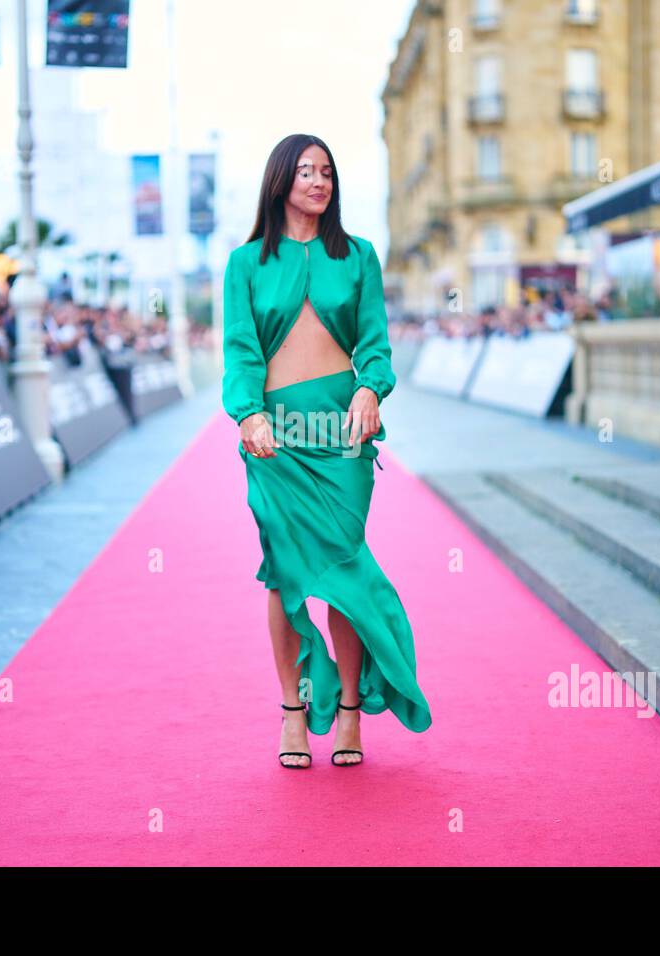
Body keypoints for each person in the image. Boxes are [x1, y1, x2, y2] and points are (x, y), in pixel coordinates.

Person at [222, 133, 431, 770]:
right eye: (307, 171)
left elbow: (375, 345)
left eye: (328, 173)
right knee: (285, 573)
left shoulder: (360, 256)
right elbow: (239, 348)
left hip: (344, 438)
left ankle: (347, 715)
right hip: (274, 440)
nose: (319, 182)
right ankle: (291, 712)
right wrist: (249, 412)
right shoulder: (246, 262)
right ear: (281, 179)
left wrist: (371, 391)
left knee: (341, 572)